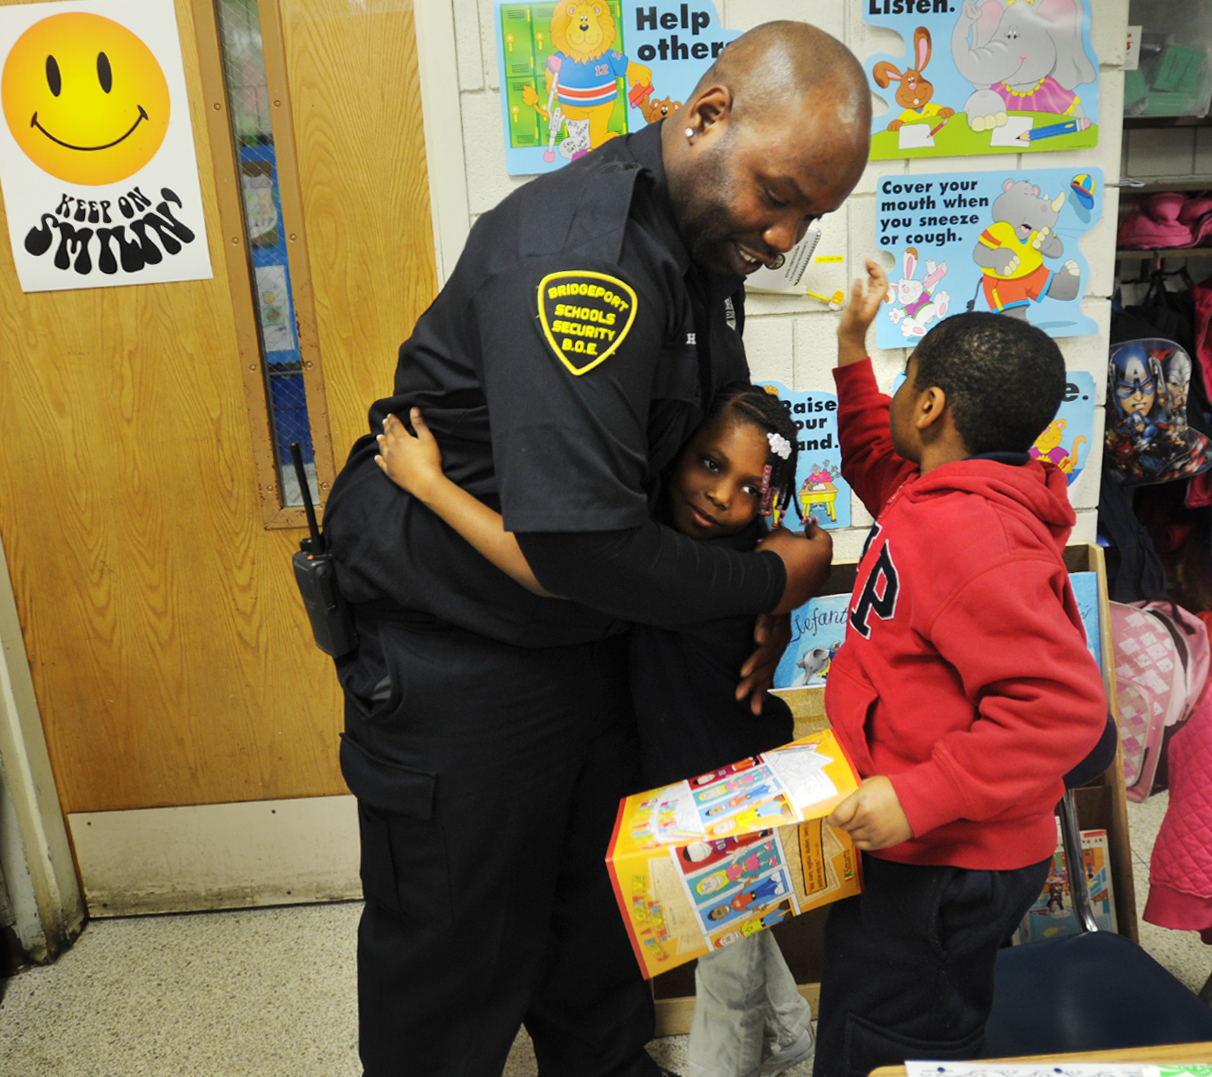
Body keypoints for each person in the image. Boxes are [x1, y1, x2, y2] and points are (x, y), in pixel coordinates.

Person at [318, 22, 870, 1077]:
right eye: (779, 195)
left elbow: (701, 440)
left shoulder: (699, 237)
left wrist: (750, 600)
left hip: (591, 644)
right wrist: (772, 578)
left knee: (597, 934)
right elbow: (579, 545)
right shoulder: (585, 259)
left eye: (811, 216)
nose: (784, 233)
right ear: (704, 114)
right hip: (461, 654)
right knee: (454, 955)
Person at [370, 383, 819, 1077]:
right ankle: (790, 1034)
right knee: (741, 937)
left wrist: (429, 484)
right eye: (707, 463)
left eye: (746, 486)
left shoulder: (695, 570)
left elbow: (543, 565)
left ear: (769, 500)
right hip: (687, 787)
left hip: (720, 804)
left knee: (725, 963)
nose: (719, 494)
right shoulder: (734, 558)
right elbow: (801, 545)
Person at [812, 261, 1109, 1077]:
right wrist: (851, 345)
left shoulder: (977, 540)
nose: (898, 395)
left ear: (933, 405)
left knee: (908, 1035)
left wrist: (916, 796)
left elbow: (1062, 713)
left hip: (948, 857)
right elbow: (873, 451)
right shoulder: (930, 488)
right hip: (916, 840)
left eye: (907, 380)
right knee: (866, 999)